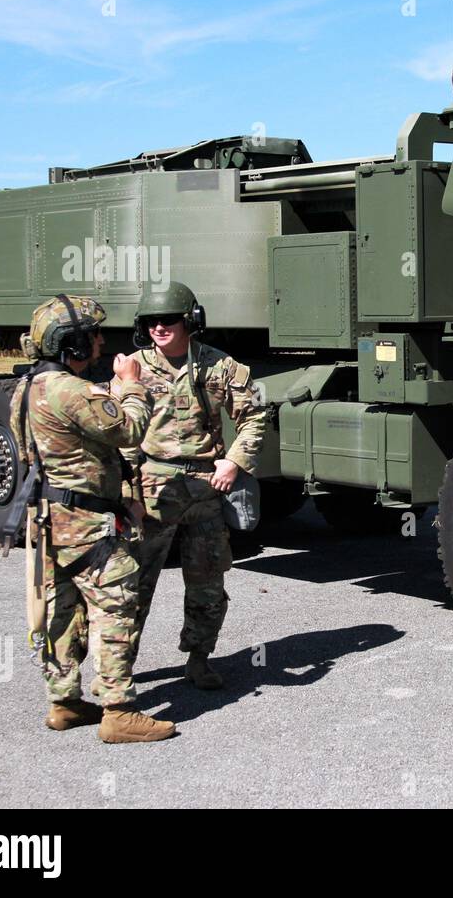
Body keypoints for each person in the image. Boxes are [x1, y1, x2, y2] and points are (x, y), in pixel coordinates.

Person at [11, 294, 175, 743]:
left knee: (62, 610)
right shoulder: (70, 390)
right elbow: (128, 428)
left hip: (49, 520)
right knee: (116, 603)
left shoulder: (26, 388)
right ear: (74, 345)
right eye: (94, 337)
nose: (101, 344)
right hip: (86, 524)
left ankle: (63, 701)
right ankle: (118, 710)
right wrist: (130, 384)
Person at [122, 281, 266, 690]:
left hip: (205, 488)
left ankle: (199, 658)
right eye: (151, 321)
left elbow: (254, 416)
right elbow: (116, 431)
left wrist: (234, 461)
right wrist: (125, 491)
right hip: (152, 489)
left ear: (190, 321)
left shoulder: (218, 366)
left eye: (168, 320)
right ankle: (121, 668)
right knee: (134, 584)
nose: (159, 328)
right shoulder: (132, 370)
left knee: (207, 584)